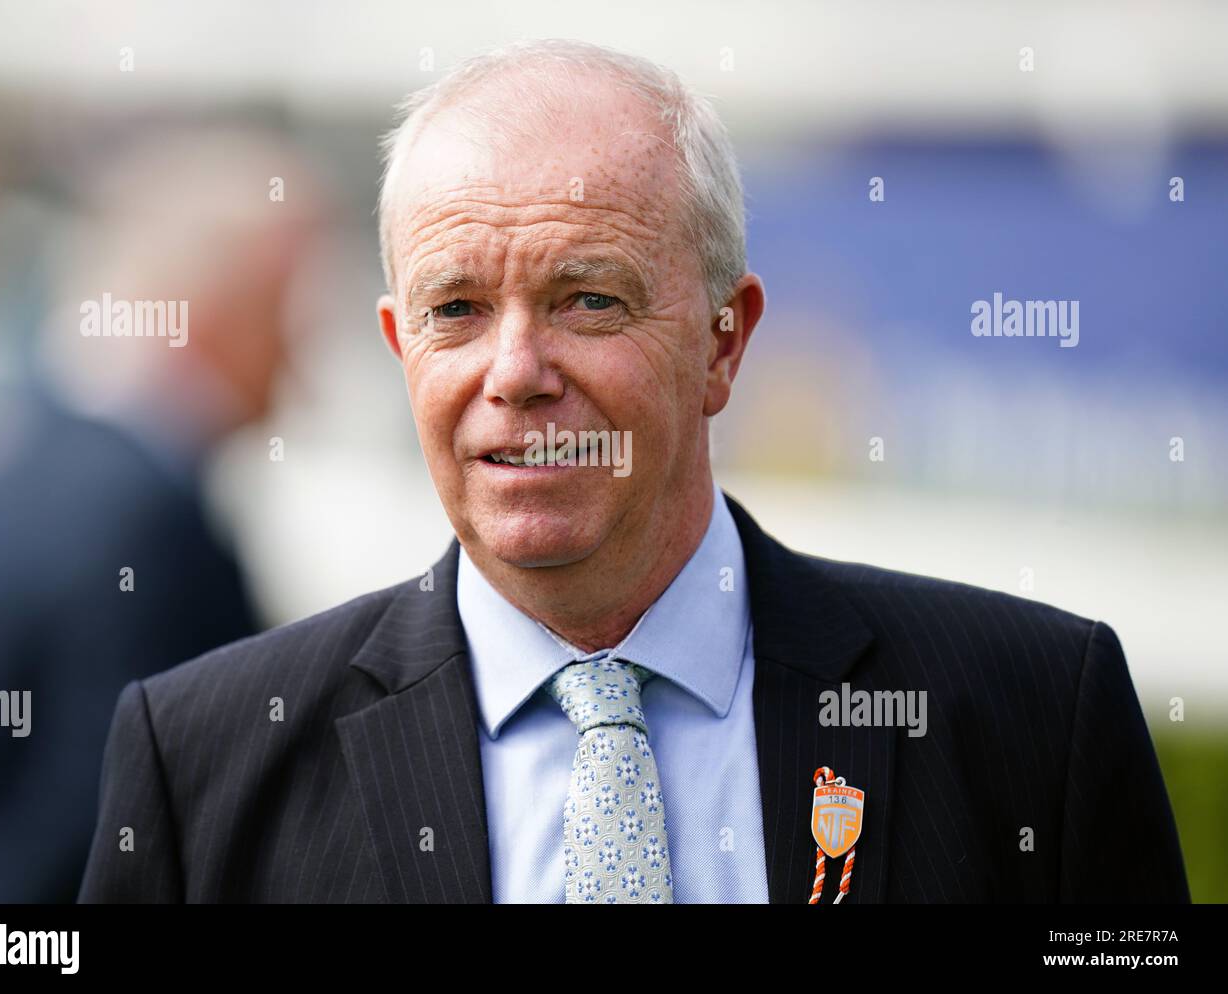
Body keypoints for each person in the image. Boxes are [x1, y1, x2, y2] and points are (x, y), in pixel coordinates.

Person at [79, 40, 1188, 904]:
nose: (514, 371)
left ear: (722, 342)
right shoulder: (205, 764)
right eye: (456, 309)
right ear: (398, 347)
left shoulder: (1032, 716)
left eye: (588, 299)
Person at [0, 131, 320, 901]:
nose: (297, 360)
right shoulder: (143, 523)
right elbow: (122, 828)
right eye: (282, 313)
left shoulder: (14, 465)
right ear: (218, 310)